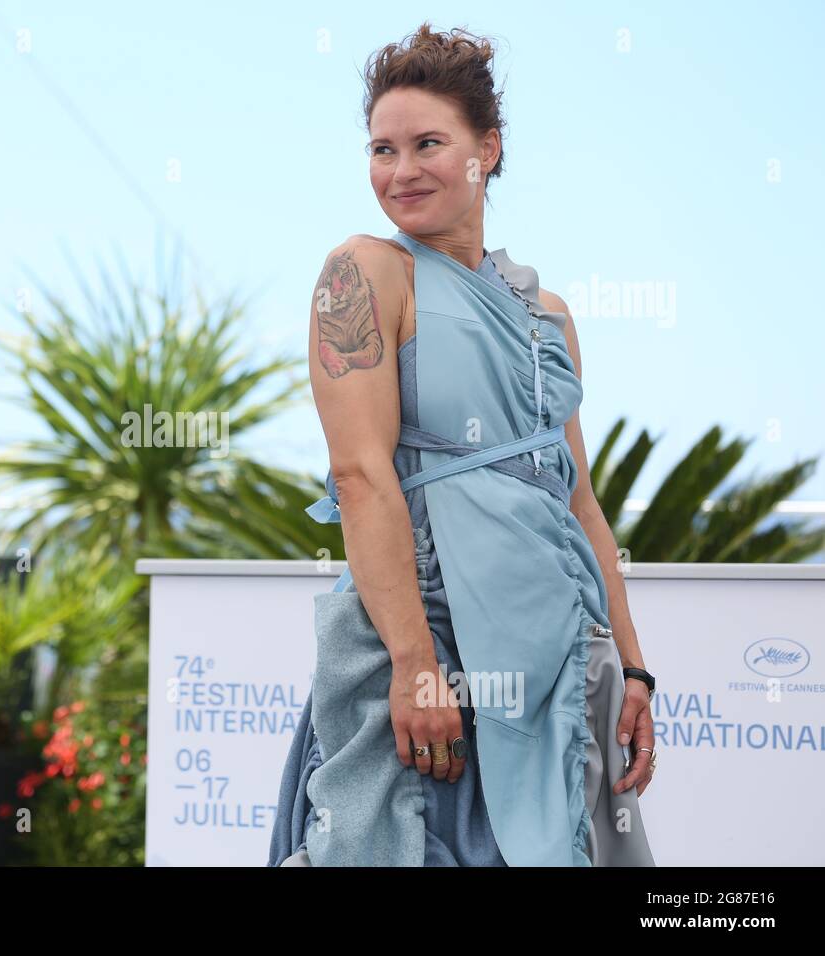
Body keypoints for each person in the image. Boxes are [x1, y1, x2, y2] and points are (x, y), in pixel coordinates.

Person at [268, 22, 657, 867]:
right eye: (382, 148)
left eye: (427, 143)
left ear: (488, 149)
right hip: (428, 625)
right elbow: (362, 475)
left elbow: (577, 498)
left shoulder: (548, 315)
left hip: (556, 636)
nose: (401, 171)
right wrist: (413, 664)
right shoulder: (366, 270)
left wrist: (633, 667)